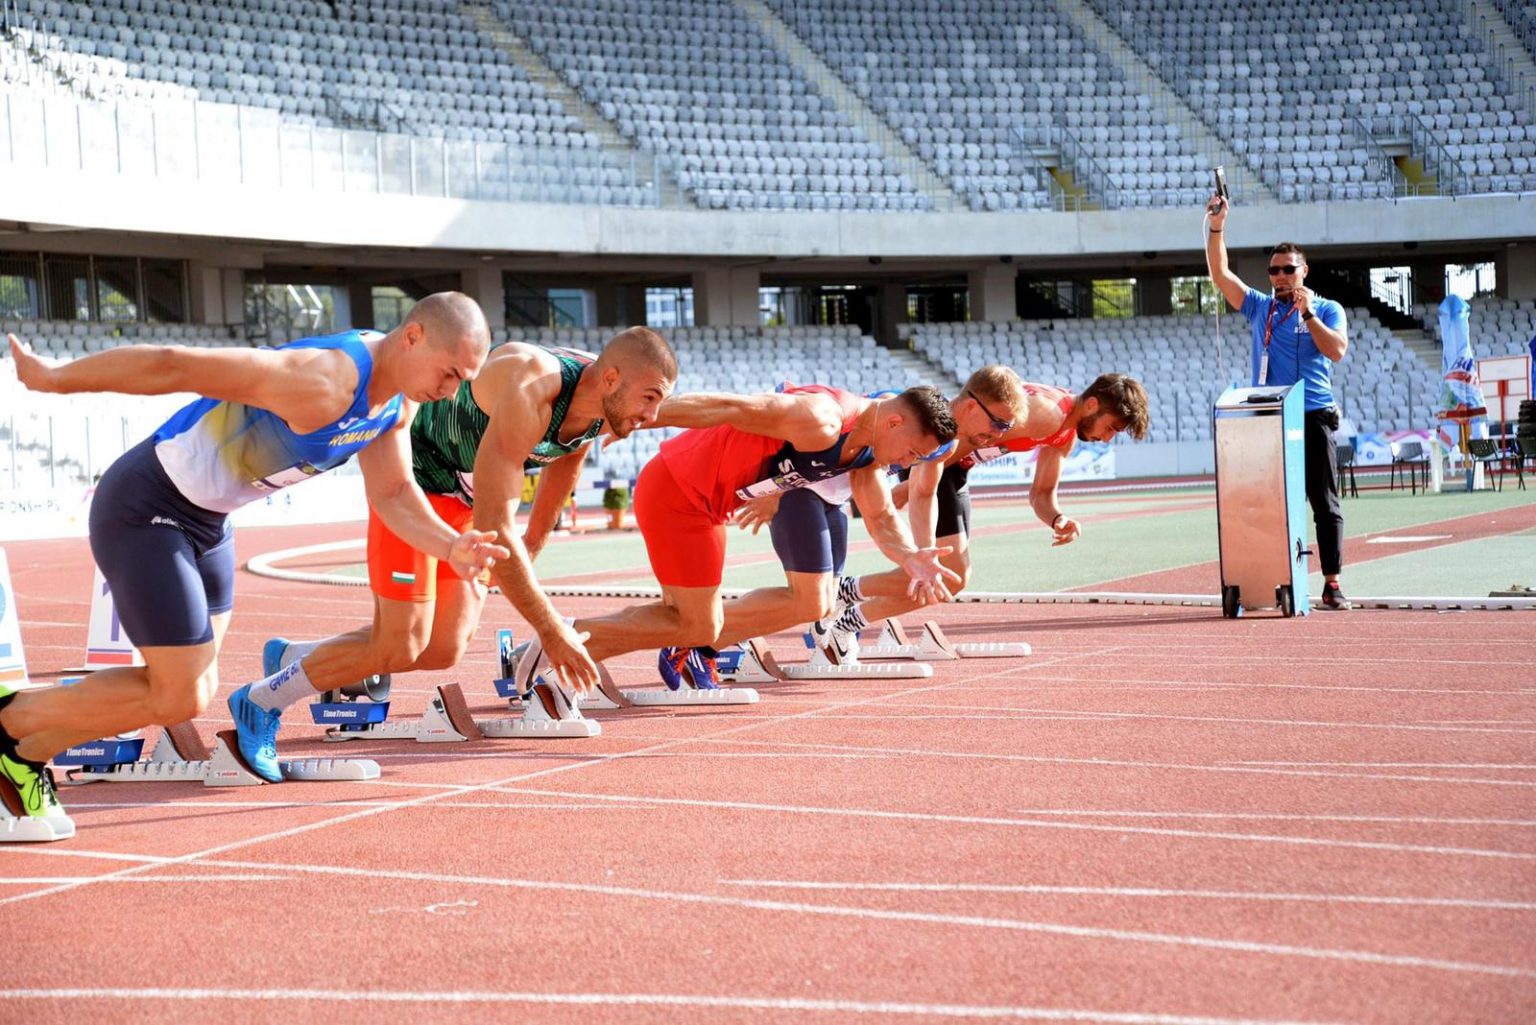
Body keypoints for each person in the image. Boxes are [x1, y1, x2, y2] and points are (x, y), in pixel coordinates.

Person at [0, 293, 508, 839]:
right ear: (412, 337)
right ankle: (8, 725)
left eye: (463, 381)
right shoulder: (321, 380)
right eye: (449, 373)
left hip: (210, 523)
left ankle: (20, 756)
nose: (450, 391)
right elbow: (174, 364)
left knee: (187, 690)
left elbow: (394, 493)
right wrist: (53, 379)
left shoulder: (396, 404)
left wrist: (450, 546)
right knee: (180, 694)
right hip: (147, 506)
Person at [237, 328, 677, 776]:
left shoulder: (606, 405)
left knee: (443, 648)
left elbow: (569, 459)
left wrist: (533, 545)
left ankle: (294, 658)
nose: (653, 415)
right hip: (413, 486)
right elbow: (496, 523)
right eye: (650, 398)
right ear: (611, 378)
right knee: (401, 643)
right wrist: (549, 629)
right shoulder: (533, 386)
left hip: (464, 499)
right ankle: (260, 700)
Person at [509, 384, 960, 692]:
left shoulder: (865, 454)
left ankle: (553, 648)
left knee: (691, 623)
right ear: (894, 422)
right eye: (912, 452)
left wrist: (910, 557)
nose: (908, 463)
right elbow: (727, 406)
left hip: (706, 509)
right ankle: (561, 641)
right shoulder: (821, 418)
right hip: (675, 490)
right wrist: (631, 418)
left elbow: (880, 515)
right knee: (696, 625)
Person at [786, 369, 1150, 661]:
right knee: (948, 575)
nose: (1107, 438)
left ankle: (846, 604)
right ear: (1091, 404)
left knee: (953, 578)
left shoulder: (1062, 434)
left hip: (955, 470)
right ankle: (843, 610)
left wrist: (1057, 519)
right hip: (939, 459)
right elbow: (956, 442)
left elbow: (1041, 494)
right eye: (1111, 427)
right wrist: (908, 492)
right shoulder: (1047, 415)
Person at [1204, 190, 1351, 609]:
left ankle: (1332, 583)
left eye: (1288, 269)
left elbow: (1337, 351)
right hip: (1268, 416)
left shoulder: (1327, 308)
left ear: (1304, 270)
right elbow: (1221, 275)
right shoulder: (1260, 308)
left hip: (1313, 414)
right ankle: (1271, 578)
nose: (1281, 277)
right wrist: (1217, 227)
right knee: (1268, 504)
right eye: (1274, 270)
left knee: (1323, 502)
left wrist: (1307, 315)